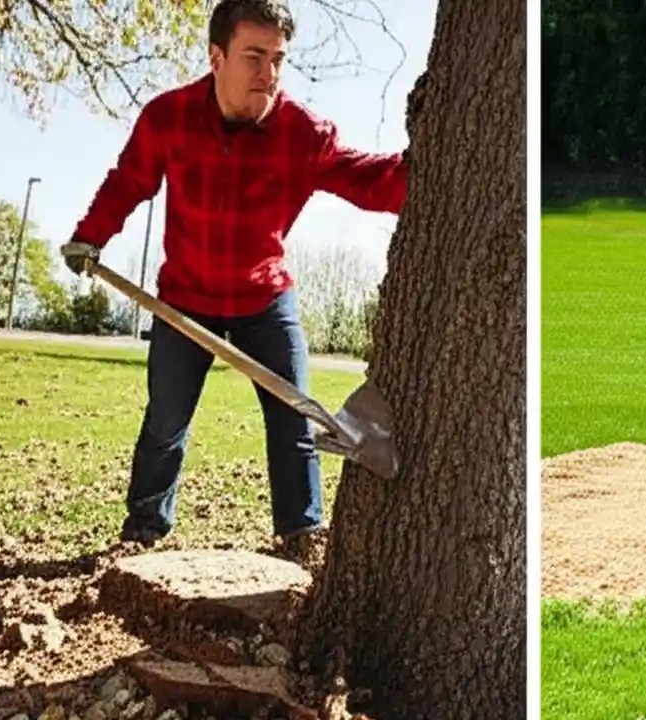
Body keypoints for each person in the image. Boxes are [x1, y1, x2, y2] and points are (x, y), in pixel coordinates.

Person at [59, 0, 407, 558]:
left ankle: (301, 536)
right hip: (184, 300)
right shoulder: (167, 117)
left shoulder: (303, 132)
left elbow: (366, 180)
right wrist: (90, 236)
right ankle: (144, 532)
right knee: (166, 419)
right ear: (216, 56)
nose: (268, 73)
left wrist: (430, 167)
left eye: (277, 59)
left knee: (293, 419)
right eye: (254, 57)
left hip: (264, 298)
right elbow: (127, 183)